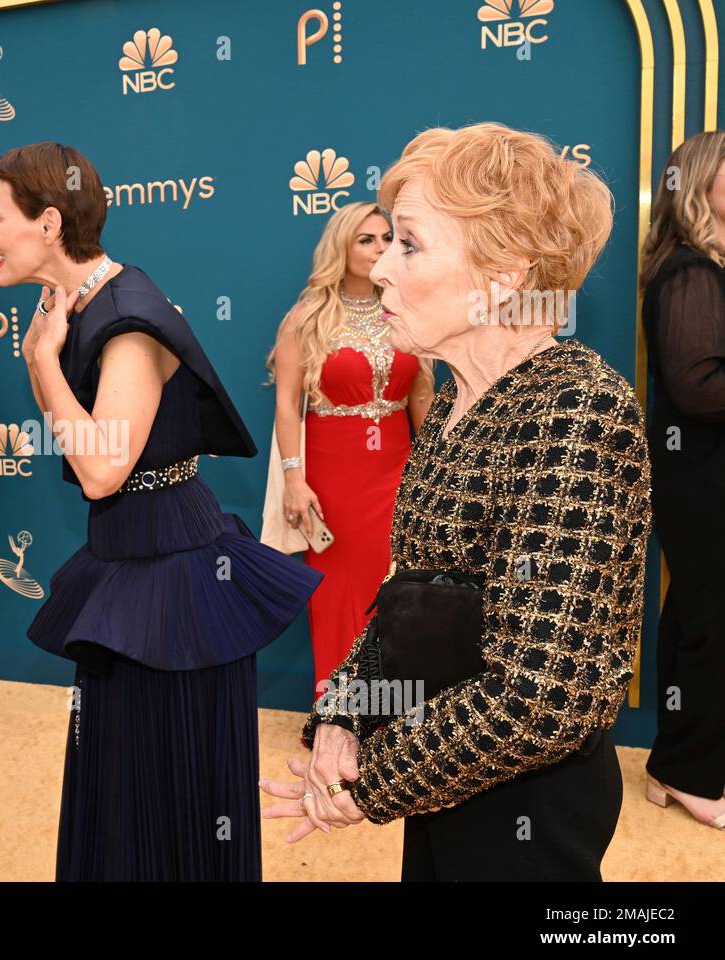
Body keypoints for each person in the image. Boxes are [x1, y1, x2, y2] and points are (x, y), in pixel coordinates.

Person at [264, 122, 653, 880]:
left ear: (501, 276)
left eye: (408, 244)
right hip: (444, 778)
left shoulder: (576, 409)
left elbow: (540, 698)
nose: (380, 270)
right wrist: (344, 712)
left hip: (524, 812)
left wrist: (370, 787)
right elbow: (414, 602)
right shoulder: (452, 400)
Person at [0, 142, 323, 880]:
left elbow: (100, 470)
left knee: (171, 774)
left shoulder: (129, 319)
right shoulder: (68, 305)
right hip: (125, 554)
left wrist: (42, 362)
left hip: (172, 566)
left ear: (46, 223)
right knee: (121, 768)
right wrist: (43, 349)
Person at [263, 201, 433, 694]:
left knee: (397, 589)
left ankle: (389, 719)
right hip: (333, 480)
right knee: (337, 596)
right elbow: (286, 403)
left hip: (398, 471)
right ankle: (338, 715)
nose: (379, 248)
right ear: (342, 245)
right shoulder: (308, 316)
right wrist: (295, 479)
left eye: (388, 239)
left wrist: (433, 469)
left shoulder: (406, 307)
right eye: (366, 239)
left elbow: (420, 395)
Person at [639, 130, 725, 830]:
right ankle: (690, 770)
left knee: (695, 613)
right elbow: (699, 388)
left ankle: (675, 760)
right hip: (701, 474)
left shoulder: (709, 267)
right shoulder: (689, 271)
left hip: (705, 471)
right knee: (713, 620)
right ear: (698, 184)